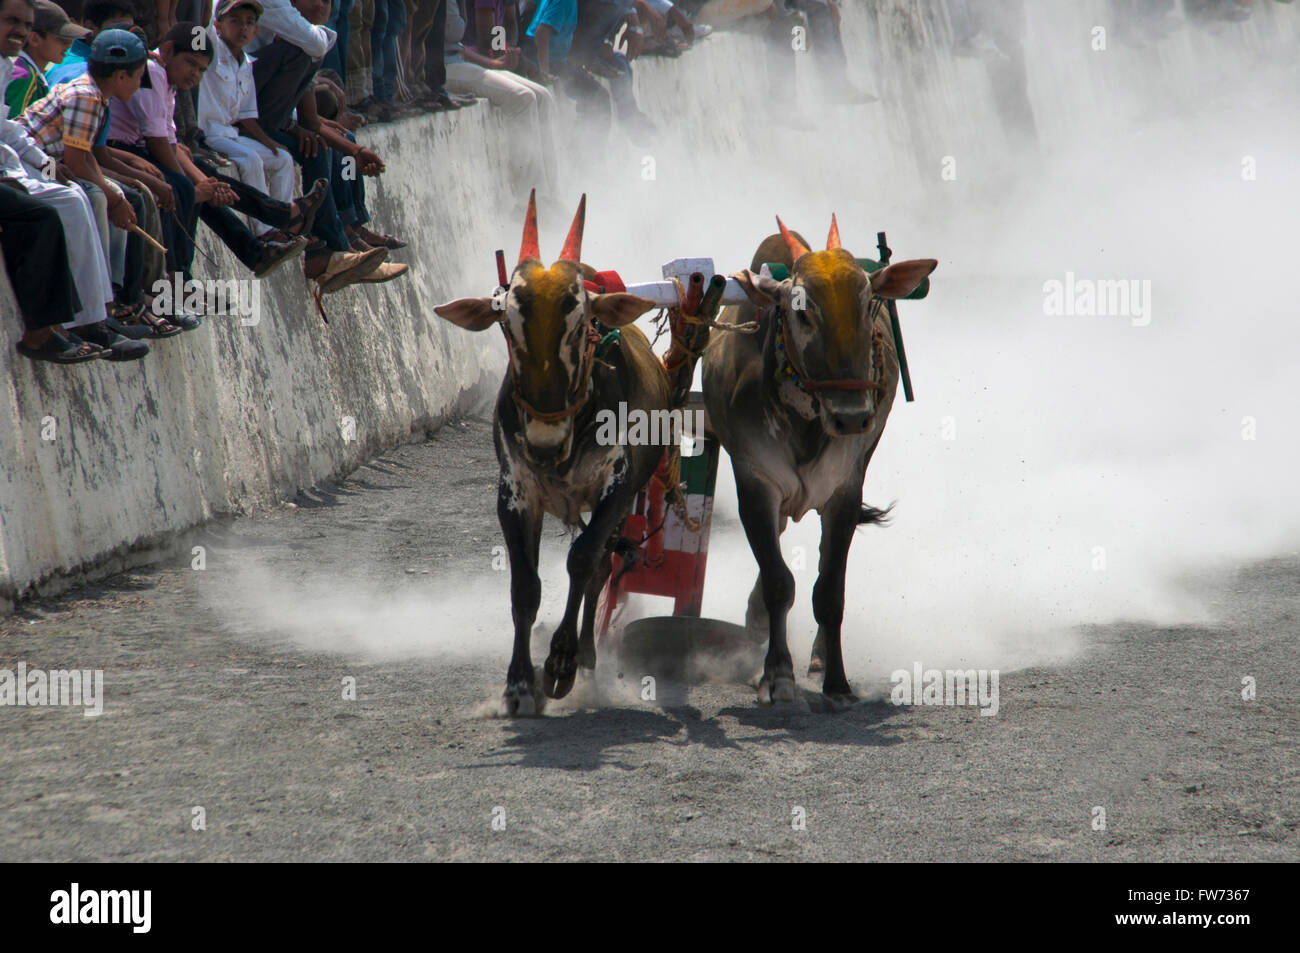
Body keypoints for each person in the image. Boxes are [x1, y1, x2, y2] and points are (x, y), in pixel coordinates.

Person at [106, 22, 320, 298]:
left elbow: (173, 145)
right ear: (169, 51)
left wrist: (206, 182)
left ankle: (263, 238)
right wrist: (194, 184)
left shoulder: (167, 81)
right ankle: (178, 277)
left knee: (203, 179)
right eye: (190, 64)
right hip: (124, 150)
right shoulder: (153, 73)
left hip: (142, 149)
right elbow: (158, 141)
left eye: (201, 70)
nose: (195, 74)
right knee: (185, 190)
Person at [252, 0, 405, 289]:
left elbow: (312, 120)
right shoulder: (298, 44)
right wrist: (296, 128)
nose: (322, 5)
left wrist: (356, 152)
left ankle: (352, 224)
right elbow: (302, 120)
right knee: (321, 149)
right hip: (259, 126)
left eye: (328, 0)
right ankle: (334, 245)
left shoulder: (304, 46)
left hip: (285, 122)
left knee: (345, 146)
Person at [0, 0, 113, 360]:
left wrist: (48, 168)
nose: (19, 30)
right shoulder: (21, 72)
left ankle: (90, 321)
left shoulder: (5, 65)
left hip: (14, 166)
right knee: (43, 216)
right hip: (6, 171)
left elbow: (10, 132)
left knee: (72, 195)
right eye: (11, 21)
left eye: (25, 23)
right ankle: (42, 333)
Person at [199, 0, 297, 234]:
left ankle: (282, 223)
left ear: (256, 31)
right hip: (209, 133)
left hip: (230, 134)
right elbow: (201, 28)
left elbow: (247, 116)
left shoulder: (246, 64)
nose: (243, 28)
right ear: (218, 25)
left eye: (249, 23)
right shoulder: (210, 50)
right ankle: (263, 230)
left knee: (282, 158)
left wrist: (268, 142)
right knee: (251, 160)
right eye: (235, 21)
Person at [446, 0, 556, 194]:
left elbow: (508, 24)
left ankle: (549, 193)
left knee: (543, 96)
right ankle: (526, 198)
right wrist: (495, 60)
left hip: (474, 59)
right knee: (524, 97)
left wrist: (508, 51)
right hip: (458, 62)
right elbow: (485, 35)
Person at [4, 0, 86, 117]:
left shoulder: (27, 72)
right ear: (35, 39)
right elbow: (12, 124)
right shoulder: (25, 77)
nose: (69, 44)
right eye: (61, 39)